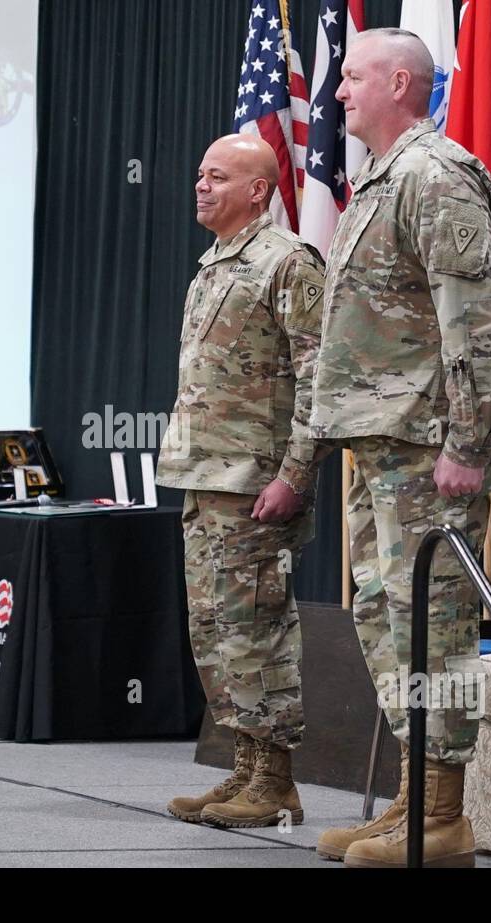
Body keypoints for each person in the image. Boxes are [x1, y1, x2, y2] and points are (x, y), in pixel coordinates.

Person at [308, 28, 491, 867]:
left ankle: (444, 816)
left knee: (437, 628)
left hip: (430, 446)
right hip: (379, 444)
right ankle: (413, 799)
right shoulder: (373, 185)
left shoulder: (437, 177)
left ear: (401, 82)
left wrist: (470, 440)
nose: (336, 93)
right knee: (385, 617)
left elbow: (483, 321)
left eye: (352, 78)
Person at [157, 134, 326, 828]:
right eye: (199, 174)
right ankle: (245, 770)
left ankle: (278, 778)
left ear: (259, 190)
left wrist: (295, 473)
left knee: (255, 629)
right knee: (216, 632)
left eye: (218, 176)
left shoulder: (288, 263)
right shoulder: (212, 266)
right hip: (206, 480)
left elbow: (320, 375)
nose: (201, 186)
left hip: (257, 483)